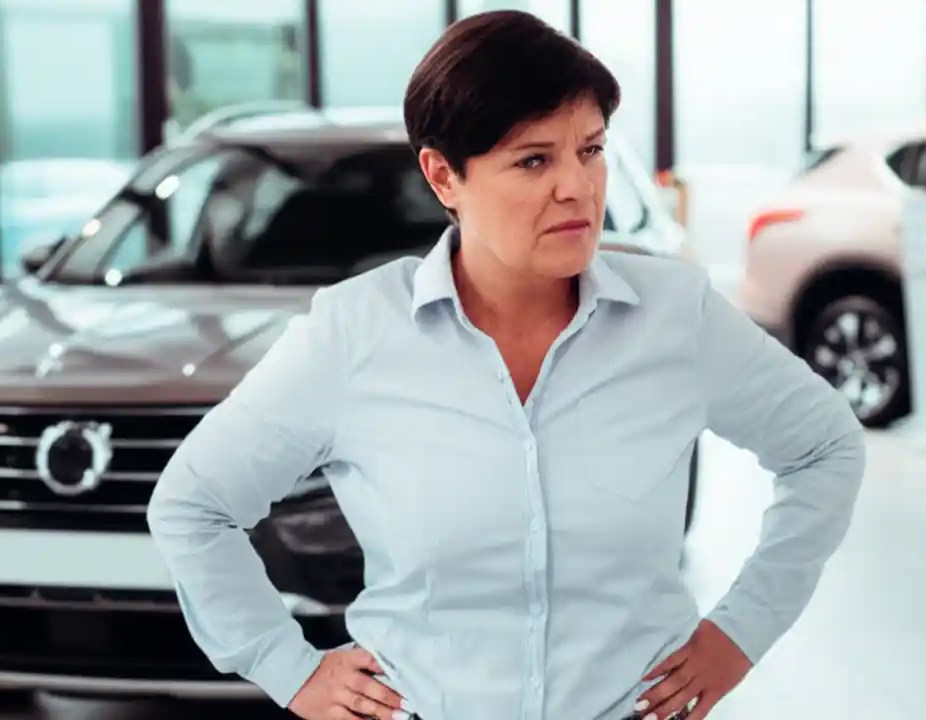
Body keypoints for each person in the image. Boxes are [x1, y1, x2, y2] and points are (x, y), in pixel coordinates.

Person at [147, 11, 865, 720]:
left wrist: (738, 634)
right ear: (443, 176)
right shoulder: (356, 333)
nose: (577, 187)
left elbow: (827, 447)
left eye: (590, 150)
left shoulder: (674, 317)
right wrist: (288, 668)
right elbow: (192, 504)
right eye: (534, 160)